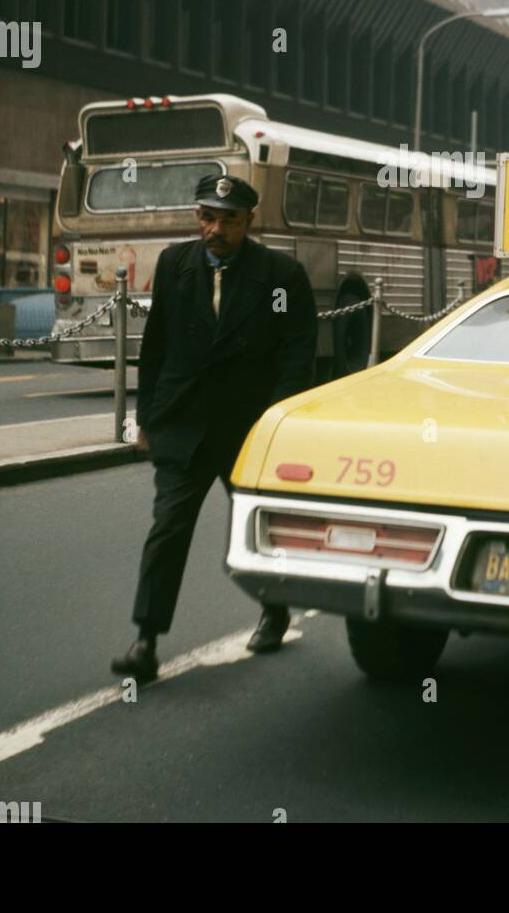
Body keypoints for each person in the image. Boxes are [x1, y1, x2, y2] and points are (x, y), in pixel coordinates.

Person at [111, 173, 318, 683]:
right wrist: (146, 419)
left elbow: (296, 356)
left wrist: (276, 423)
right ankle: (146, 641)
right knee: (168, 529)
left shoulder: (281, 276)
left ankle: (275, 611)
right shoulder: (174, 264)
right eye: (207, 217)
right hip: (182, 426)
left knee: (262, 529)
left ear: (249, 221)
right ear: (196, 217)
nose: (215, 229)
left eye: (228, 220)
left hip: (250, 431)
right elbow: (156, 346)